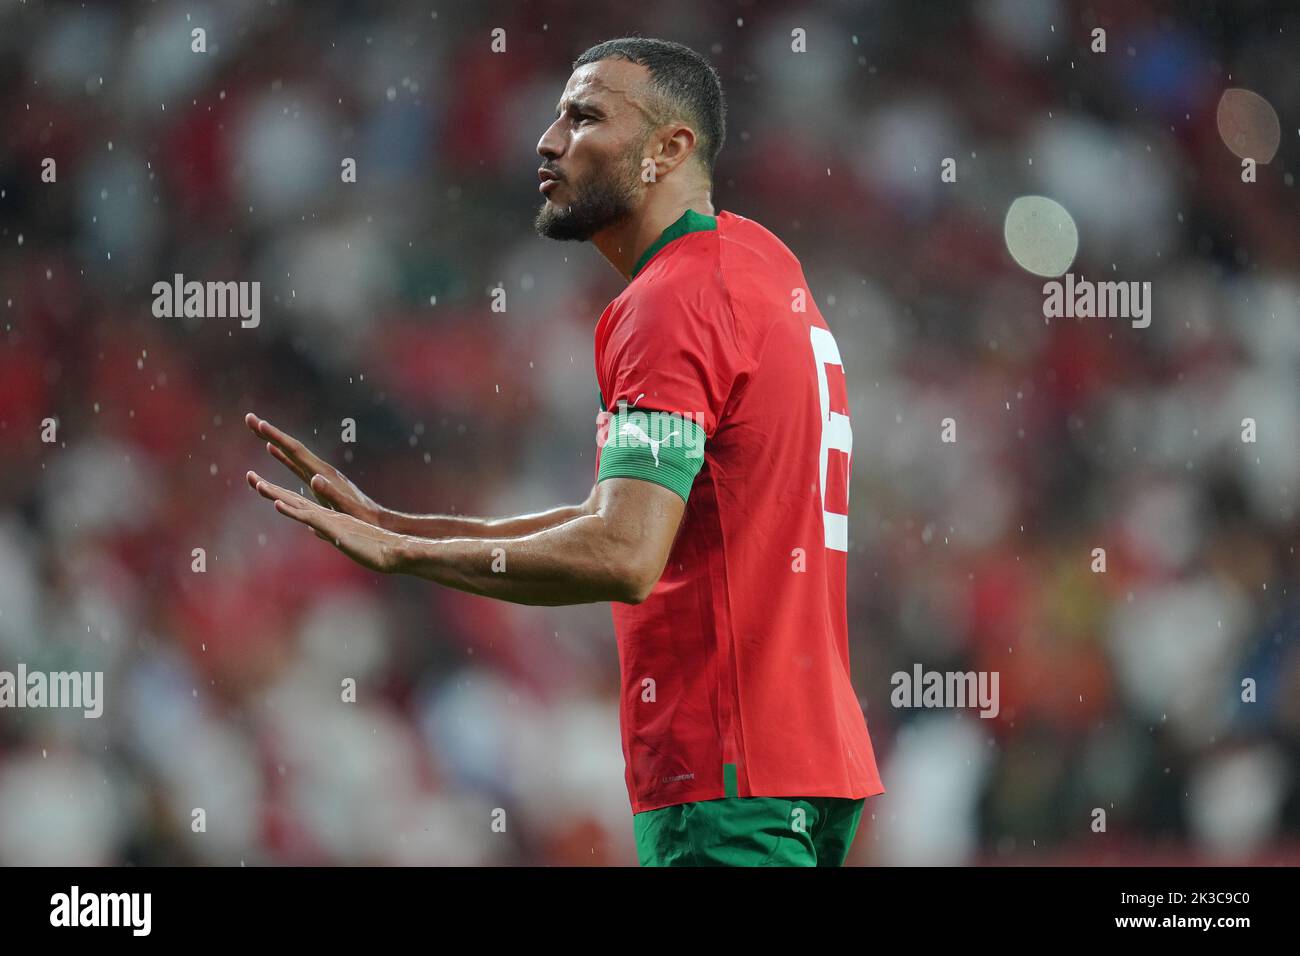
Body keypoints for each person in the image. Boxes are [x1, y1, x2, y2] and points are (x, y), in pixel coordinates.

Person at [246, 37, 884, 866]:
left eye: (584, 117)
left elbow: (624, 553)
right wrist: (415, 526)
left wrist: (406, 556)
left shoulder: (673, 302)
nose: (548, 141)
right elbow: (624, 516)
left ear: (669, 148)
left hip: (725, 774)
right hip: (806, 761)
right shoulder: (760, 264)